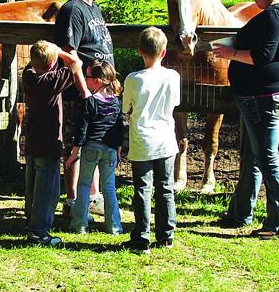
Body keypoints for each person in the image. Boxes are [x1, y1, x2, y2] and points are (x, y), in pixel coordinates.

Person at [213, 0, 279, 238]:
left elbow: (262, 56)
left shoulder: (274, 17)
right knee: (253, 154)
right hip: (263, 94)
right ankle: (241, 211)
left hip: (262, 96)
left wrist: (230, 52)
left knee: (266, 156)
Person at [55, 0, 116, 217]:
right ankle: (72, 200)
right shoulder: (72, 10)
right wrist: (84, 91)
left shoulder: (95, 10)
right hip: (80, 94)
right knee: (74, 145)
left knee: (95, 143)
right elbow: (70, 54)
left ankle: (91, 196)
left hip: (99, 94)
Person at [122, 27, 180, 254]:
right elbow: (174, 104)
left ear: (139, 51)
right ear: (164, 52)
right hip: (166, 139)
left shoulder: (134, 79)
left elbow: (126, 108)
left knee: (142, 189)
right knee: (166, 188)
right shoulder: (173, 77)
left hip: (143, 141)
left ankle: (141, 237)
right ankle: (166, 235)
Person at [23, 40, 87, 247]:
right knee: (47, 189)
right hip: (49, 143)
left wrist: (49, 53)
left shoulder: (28, 75)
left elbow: (39, 61)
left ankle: (31, 221)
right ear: (51, 65)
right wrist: (60, 51)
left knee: (32, 184)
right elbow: (76, 64)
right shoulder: (52, 80)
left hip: (32, 142)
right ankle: (39, 232)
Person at [66, 60, 125, 235]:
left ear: (98, 80)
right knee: (109, 188)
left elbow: (82, 130)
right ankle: (114, 226)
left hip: (91, 148)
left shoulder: (90, 102)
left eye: (88, 76)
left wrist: (74, 153)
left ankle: (79, 225)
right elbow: (119, 128)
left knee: (83, 185)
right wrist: (118, 150)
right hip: (110, 150)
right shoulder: (116, 103)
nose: (85, 79)